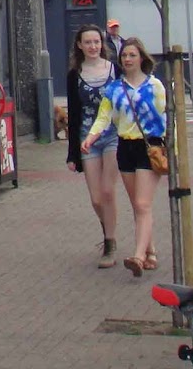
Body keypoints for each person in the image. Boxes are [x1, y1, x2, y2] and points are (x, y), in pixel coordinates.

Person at [81, 36, 166, 276]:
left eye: (132, 55)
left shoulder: (155, 86)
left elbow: (167, 118)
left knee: (142, 203)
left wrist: (174, 149)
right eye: (125, 56)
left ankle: (138, 257)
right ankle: (150, 251)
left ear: (141, 58)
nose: (127, 59)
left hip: (150, 146)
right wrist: (91, 137)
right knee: (137, 205)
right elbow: (103, 117)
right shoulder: (115, 89)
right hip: (125, 147)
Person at [65, 24, 120, 267]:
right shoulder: (74, 75)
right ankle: (107, 227)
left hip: (113, 136)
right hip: (87, 139)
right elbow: (74, 115)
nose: (93, 46)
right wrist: (72, 153)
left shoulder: (114, 70)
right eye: (87, 42)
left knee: (108, 191)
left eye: (96, 42)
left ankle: (110, 244)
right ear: (79, 45)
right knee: (96, 199)